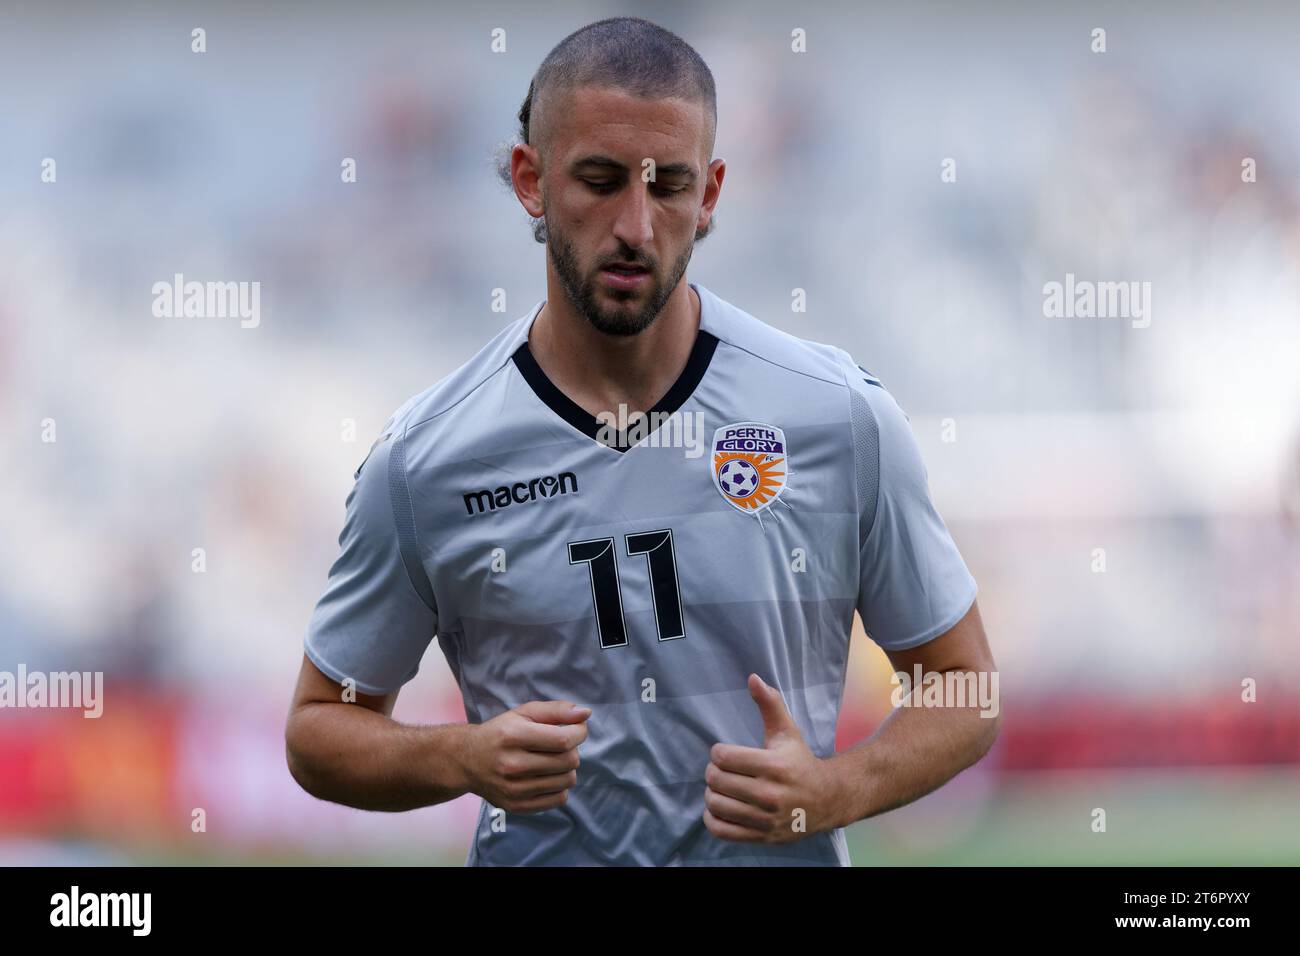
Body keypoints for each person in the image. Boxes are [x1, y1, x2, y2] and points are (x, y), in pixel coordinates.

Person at [285, 15, 998, 866]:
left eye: (668, 187)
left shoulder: (835, 416)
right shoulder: (428, 458)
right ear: (529, 180)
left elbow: (964, 686)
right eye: (600, 179)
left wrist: (835, 790)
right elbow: (321, 728)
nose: (635, 224)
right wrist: (459, 757)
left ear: (711, 196)